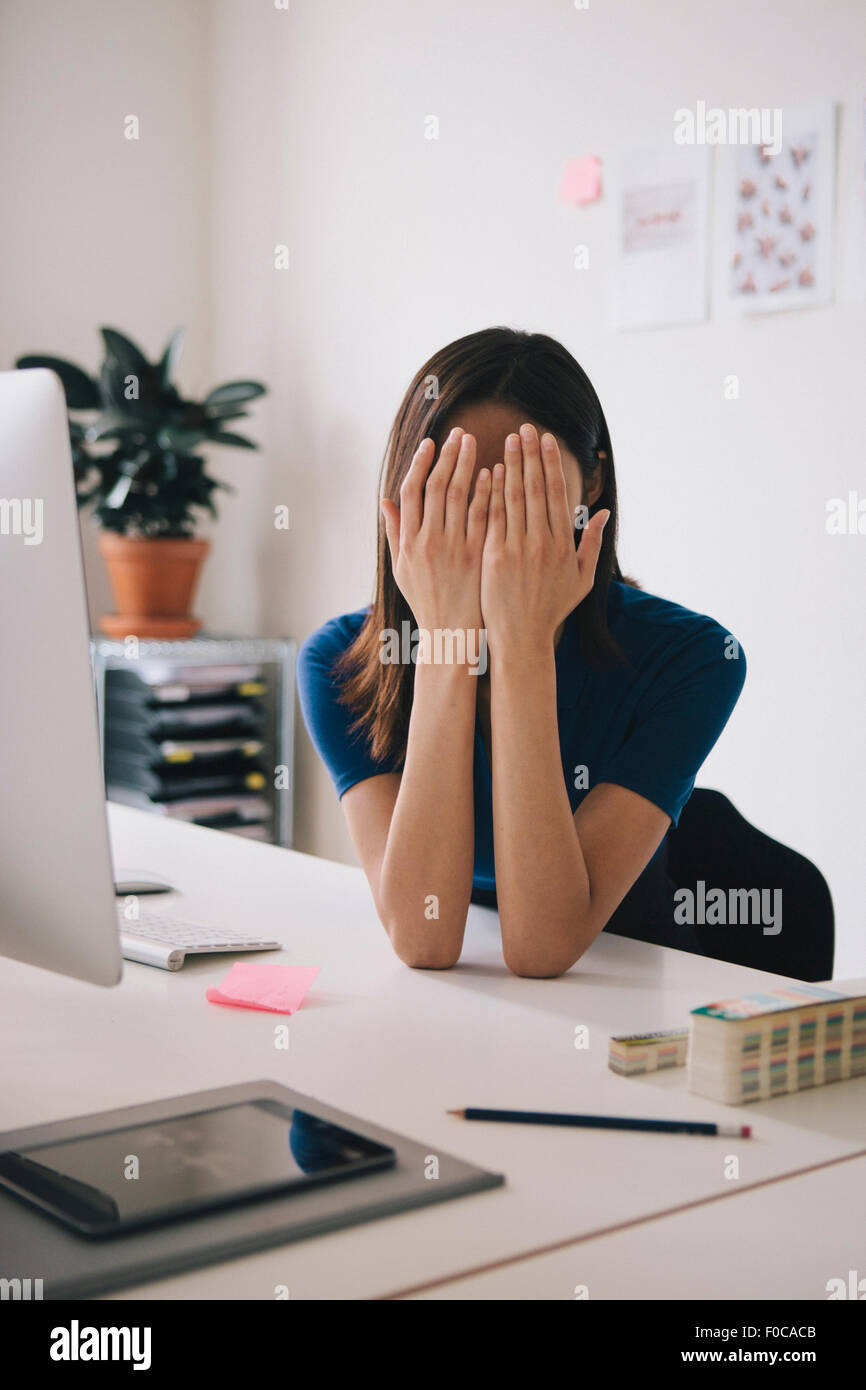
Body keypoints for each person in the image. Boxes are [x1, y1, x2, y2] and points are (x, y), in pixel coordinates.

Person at [297, 328, 745, 976]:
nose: (483, 521)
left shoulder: (694, 660)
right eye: (453, 490)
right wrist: (449, 639)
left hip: (619, 1000)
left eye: (519, 491)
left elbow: (543, 947)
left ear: (591, 482)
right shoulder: (342, 663)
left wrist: (523, 645)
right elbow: (423, 939)